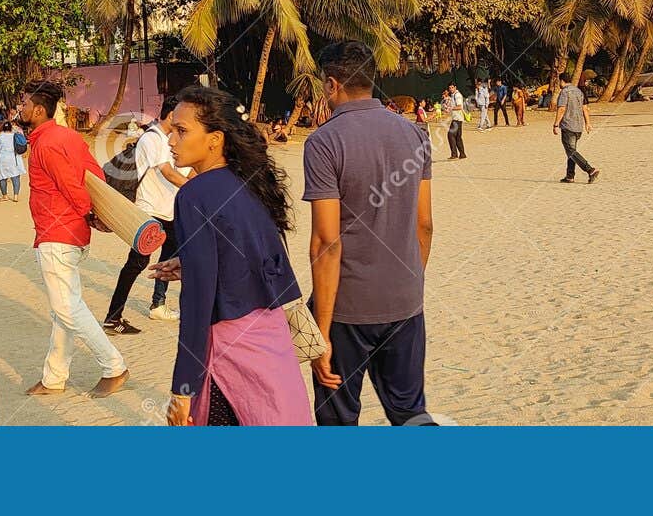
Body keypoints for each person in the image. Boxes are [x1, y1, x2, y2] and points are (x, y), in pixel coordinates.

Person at [148, 86, 312, 426]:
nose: (171, 140)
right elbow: (267, 258)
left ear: (214, 139)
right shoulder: (250, 181)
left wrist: (183, 387)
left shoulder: (194, 194)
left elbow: (197, 302)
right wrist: (191, 263)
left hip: (231, 353)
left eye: (182, 131)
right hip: (272, 343)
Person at [304, 41, 435, 426]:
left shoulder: (324, 142)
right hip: (404, 299)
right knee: (410, 412)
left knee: (339, 418)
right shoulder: (415, 135)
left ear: (332, 85)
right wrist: (411, 281)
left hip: (347, 308)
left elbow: (327, 242)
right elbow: (424, 224)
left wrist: (321, 334)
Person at [17, 81, 128, 398]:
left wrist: (86, 210)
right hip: (73, 234)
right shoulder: (67, 137)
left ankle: (114, 366)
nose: (20, 108)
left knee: (66, 309)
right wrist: (93, 213)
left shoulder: (47, 144)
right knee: (63, 310)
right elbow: (95, 174)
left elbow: (73, 187)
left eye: (24, 104)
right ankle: (54, 377)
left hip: (58, 234)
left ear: (39, 111)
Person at [103, 98, 189, 334]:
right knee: (136, 263)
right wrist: (199, 188)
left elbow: (184, 169)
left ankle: (158, 305)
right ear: (171, 115)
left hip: (169, 212)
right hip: (149, 211)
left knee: (171, 257)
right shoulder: (152, 138)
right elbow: (169, 173)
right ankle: (113, 317)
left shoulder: (170, 140)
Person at [554, 74, 599, 184]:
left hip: (568, 125)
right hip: (578, 126)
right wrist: (588, 123)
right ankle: (570, 176)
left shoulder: (565, 92)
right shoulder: (579, 91)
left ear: (562, 81)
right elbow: (585, 108)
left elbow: (561, 108)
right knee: (571, 150)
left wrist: (556, 124)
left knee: (570, 150)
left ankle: (590, 169)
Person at [0, 122, 27, 201]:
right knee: (16, 177)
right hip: (15, 158)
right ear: (11, 128)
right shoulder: (15, 135)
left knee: (2, 178)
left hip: (3, 159)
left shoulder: (0, 137)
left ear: (3, 128)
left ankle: (5, 196)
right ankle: (15, 196)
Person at [444, 84, 466, 159]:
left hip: (457, 118)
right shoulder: (453, 95)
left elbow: (459, 106)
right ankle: (462, 154)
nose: (451, 89)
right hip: (457, 118)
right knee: (458, 137)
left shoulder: (457, 95)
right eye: (449, 88)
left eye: (452, 87)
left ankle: (454, 154)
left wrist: (450, 108)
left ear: (455, 87)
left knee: (450, 135)